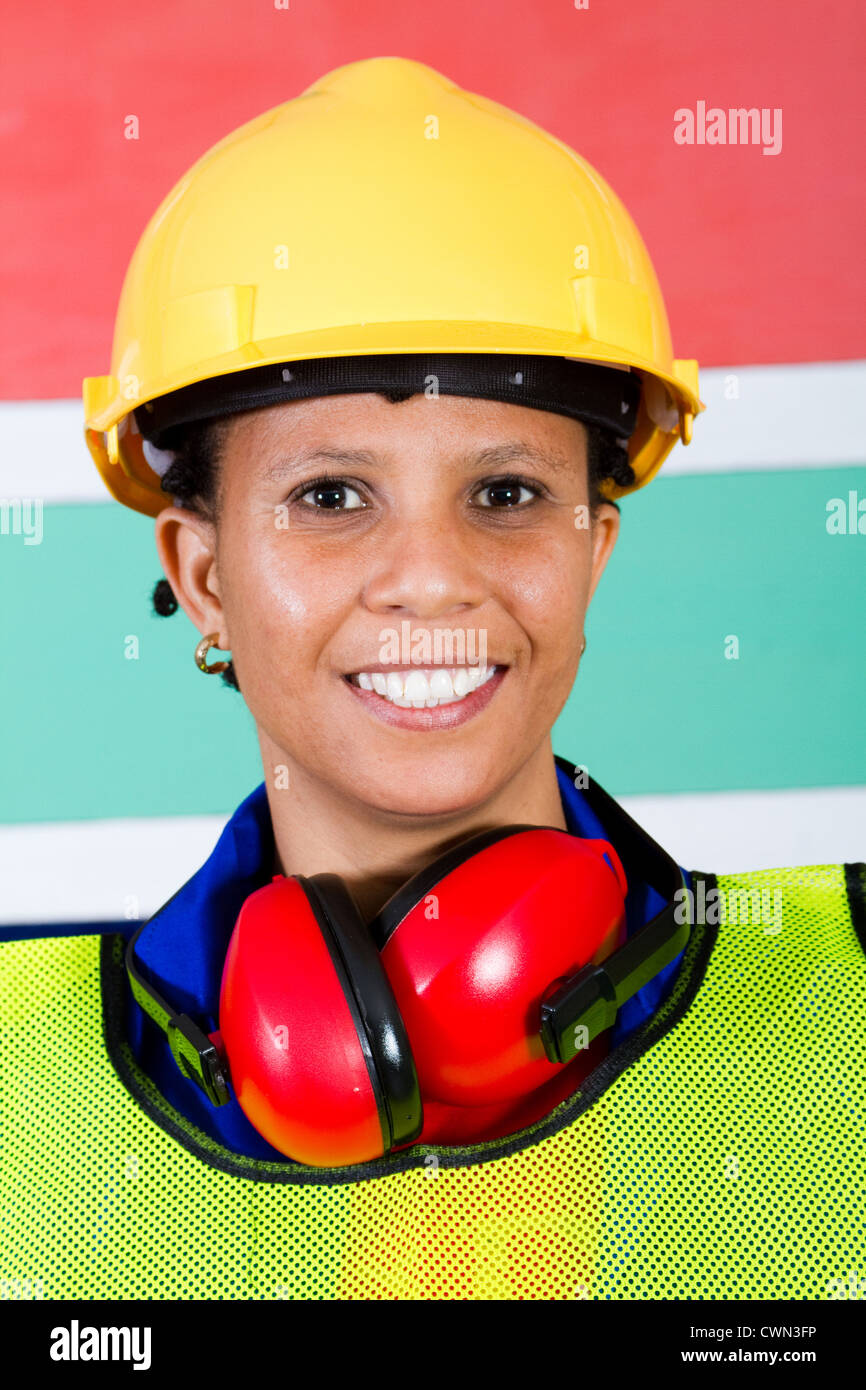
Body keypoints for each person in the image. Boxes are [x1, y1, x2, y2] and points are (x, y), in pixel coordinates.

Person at [2, 55, 863, 1301]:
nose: (431, 579)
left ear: (591, 549)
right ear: (202, 576)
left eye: (505, 494)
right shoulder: (23, 1099)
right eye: (330, 496)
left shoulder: (842, 997)